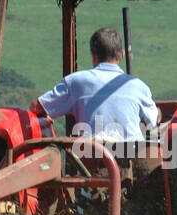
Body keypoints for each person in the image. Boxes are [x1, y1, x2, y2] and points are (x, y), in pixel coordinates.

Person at [30, 26, 159, 144]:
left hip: (90, 162)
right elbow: (153, 121)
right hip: (133, 160)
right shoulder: (139, 86)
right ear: (122, 55)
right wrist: (156, 112)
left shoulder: (75, 82)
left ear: (93, 55)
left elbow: (36, 107)